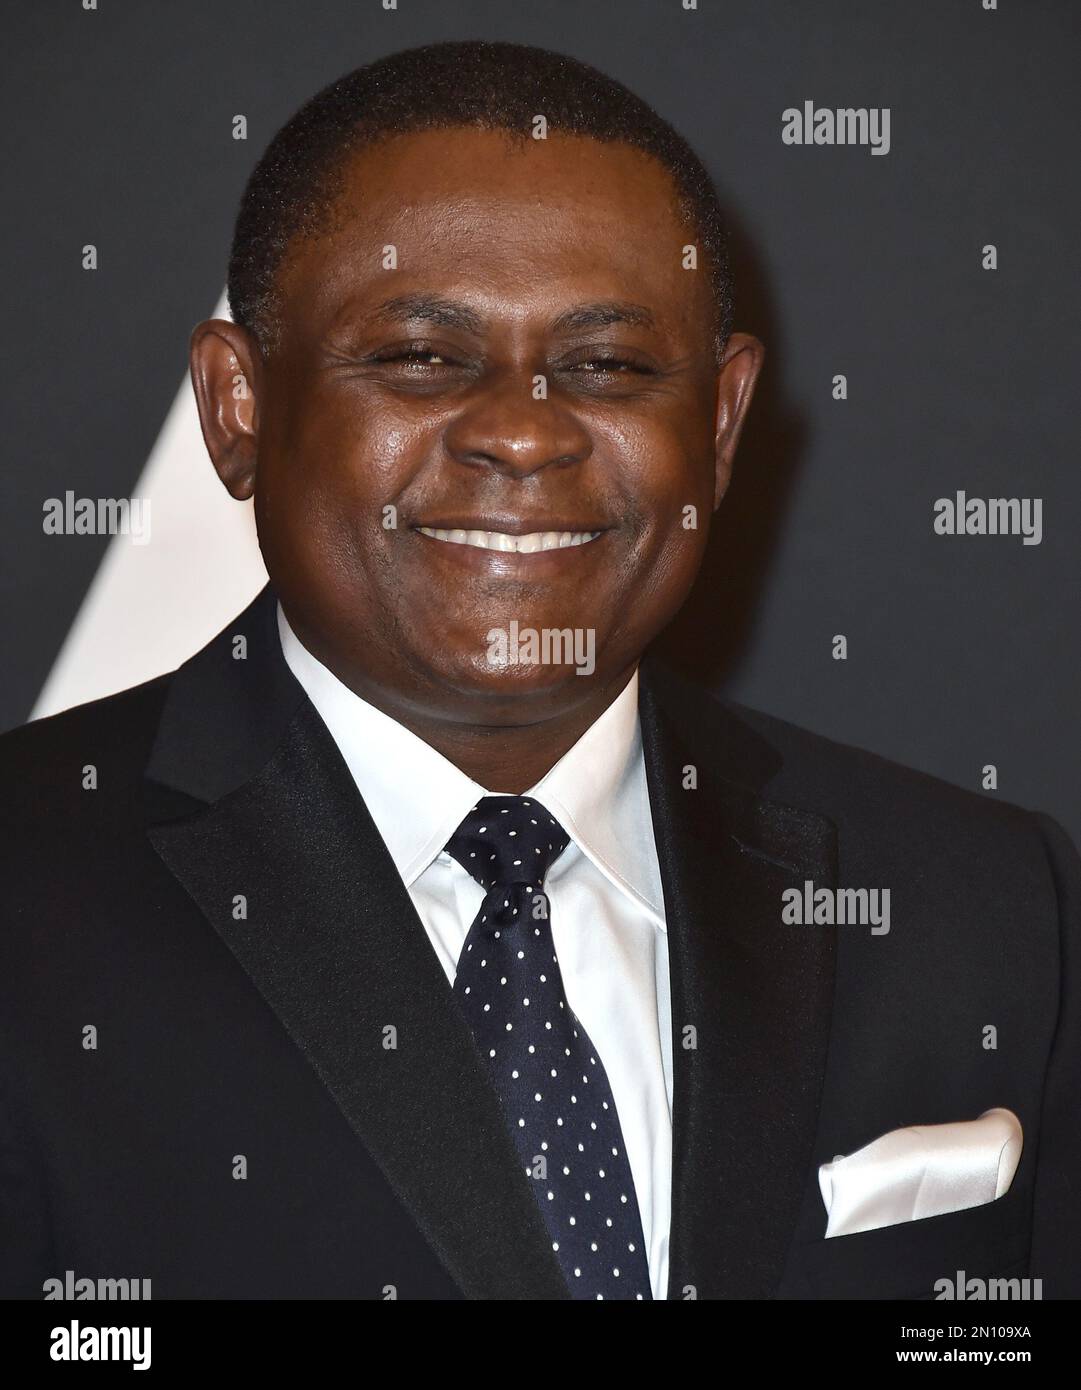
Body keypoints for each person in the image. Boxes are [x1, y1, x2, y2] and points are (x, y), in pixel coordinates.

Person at [1, 39, 1077, 1301]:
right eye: (420, 355)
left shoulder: (982, 903)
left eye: (609, 366)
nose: (520, 428)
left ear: (720, 426)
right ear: (239, 408)